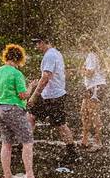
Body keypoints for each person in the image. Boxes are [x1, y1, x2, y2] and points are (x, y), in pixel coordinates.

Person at [0, 43, 38, 178]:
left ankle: (7, 176)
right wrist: (31, 86)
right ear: (19, 58)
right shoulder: (17, 74)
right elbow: (23, 95)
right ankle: (29, 176)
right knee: (28, 142)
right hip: (14, 110)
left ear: (7, 56)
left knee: (6, 143)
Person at [27, 34, 78, 164]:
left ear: (45, 42)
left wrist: (34, 95)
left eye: (38, 43)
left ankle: (72, 152)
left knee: (60, 125)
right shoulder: (55, 53)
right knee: (31, 115)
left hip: (54, 96)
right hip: (48, 95)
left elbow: (46, 77)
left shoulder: (50, 55)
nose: (36, 46)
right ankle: (26, 145)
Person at [79, 38, 106, 150]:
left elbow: (89, 73)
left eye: (80, 45)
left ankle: (98, 142)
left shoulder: (91, 55)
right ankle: (84, 140)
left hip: (96, 87)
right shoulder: (92, 55)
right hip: (92, 87)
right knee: (84, 112)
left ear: (85, 46)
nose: (80, 48)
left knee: (94, 115)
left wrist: (81, 71)